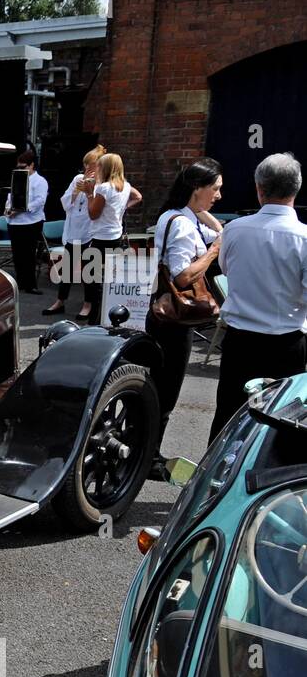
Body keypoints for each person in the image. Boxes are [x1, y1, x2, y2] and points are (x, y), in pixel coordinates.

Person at [209, 152, 307, 440]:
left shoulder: (235, 230)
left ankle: (215, 481)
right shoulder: (304, 237)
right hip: (287, 341)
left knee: (228, 419)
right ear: (296, 188)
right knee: (282, 426)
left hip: (241, 340)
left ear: (259, 189)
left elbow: (226, 270)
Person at [147, 157, 224, 475]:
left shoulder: (177, 216)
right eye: (215, 189)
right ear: (197, 188)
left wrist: (198, 209)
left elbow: (221, 231)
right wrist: (212, 254)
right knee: (165, 393)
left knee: (159, 388)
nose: (218, 196)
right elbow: (180, 276)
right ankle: (148, 458)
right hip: (174, 319)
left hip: (165, 315)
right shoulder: (180, 222)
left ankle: (148, 452)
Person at [45, 144, 104, 316]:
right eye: (86, 164)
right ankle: (60, 301)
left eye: (90, 164)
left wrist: (89, 190)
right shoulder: (77, 178)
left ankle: (88, 304)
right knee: (68, 267)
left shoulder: (102, 183)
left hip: (90, 230)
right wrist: (78, 189)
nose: (87, 168)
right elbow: (65, 202)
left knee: (89, 269)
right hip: (74, 229)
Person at [85, 152, 143, 325]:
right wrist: (122, 209)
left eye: (100, 166)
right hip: (116, 236)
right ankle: (107, 315)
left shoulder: (104, 188)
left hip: (101, 237)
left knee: (93, 280)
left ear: (106, 168)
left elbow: (93, 215)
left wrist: (89, 194)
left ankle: (95, 318)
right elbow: (138, 197)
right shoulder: (125, 186)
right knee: (109, 278)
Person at [5, 150, 48, 295]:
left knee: (29, 254)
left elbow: (39, 201)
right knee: (17, 254)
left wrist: (20, 209)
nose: (20, 170)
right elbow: (10, 196)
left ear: (32, 166)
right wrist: (8, 209)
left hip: (31, 222)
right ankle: (20, 283)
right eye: (19, 167)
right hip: (15, 222)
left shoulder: (40, 181)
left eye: (23, 167)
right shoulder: (17, 178)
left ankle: (30, 285)